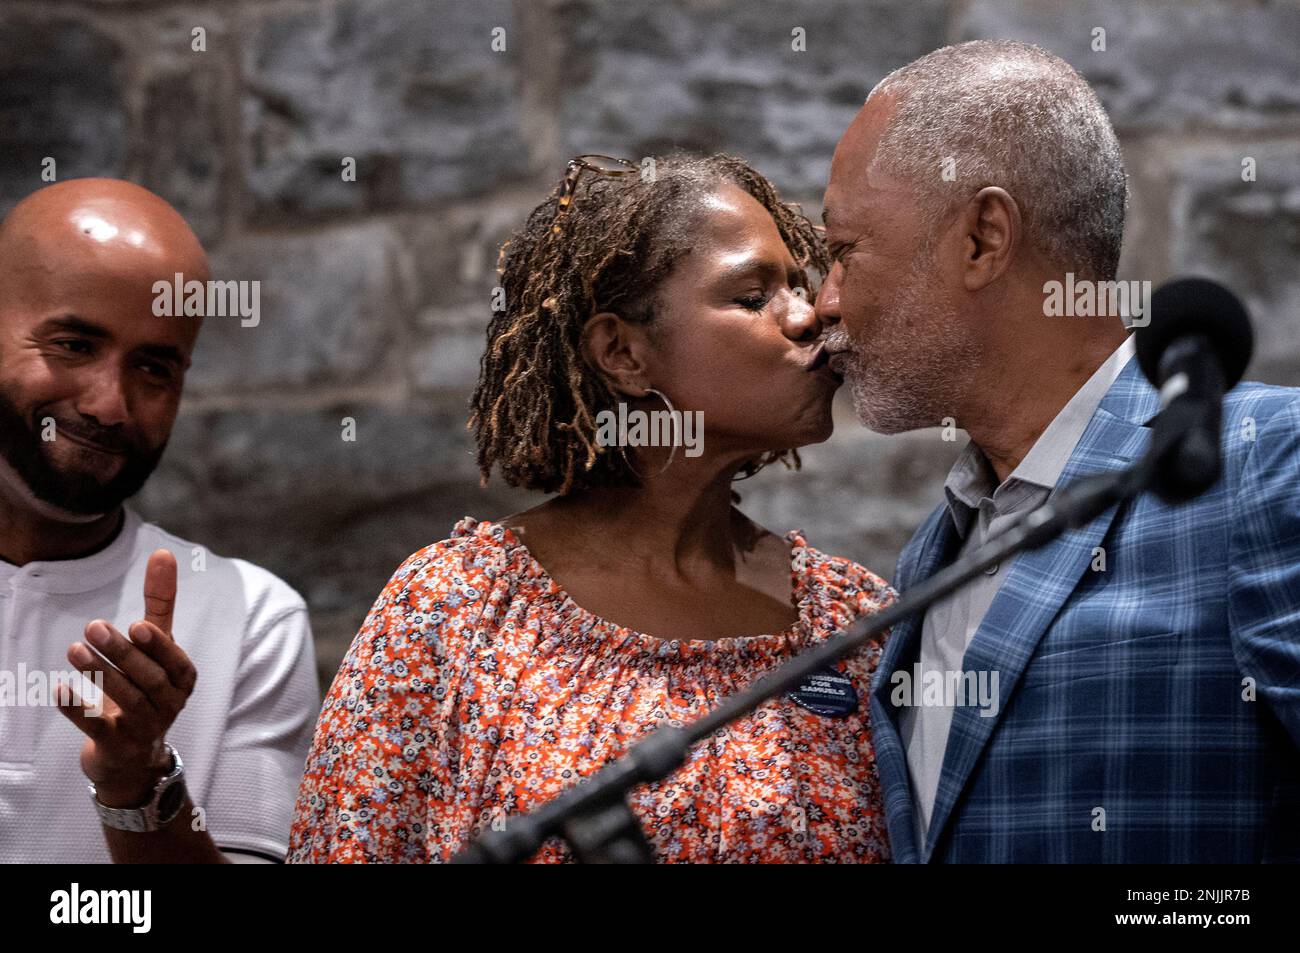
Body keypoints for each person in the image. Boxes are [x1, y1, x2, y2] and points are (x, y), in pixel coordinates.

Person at [290, 153, 895, 863]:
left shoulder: (851, 621)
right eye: (753, 294)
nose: (810, 315)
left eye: (800, 282)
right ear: (623, 352)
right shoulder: (454, 611)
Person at [817, 40, 1300, 862]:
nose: (825, 302)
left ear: (983, 238)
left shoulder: (1262, 461)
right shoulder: (930, 556)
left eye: (842, 251)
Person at [0, 178, 319, 862]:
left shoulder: (252, 620)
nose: (109, 405)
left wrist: (135, 782)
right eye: (74, 345)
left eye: (153, 367)